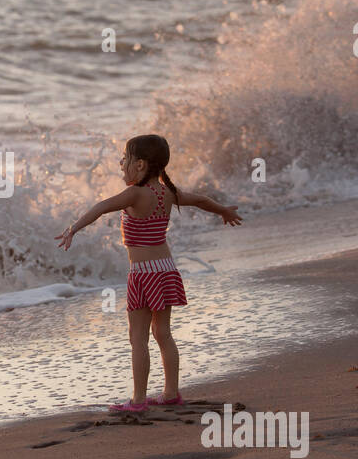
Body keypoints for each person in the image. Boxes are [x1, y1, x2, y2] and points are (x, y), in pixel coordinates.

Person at [56, 134, 241, 413]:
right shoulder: (168, 193)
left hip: (144, 274)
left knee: (138, 337)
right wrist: (223, 211)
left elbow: (101, 207)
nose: (121, 163)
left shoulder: (134, 194)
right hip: (165, 269)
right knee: (163, 333)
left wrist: (74, 228)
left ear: (140, 165)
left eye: (125, 159)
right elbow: (201, 200)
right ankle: (170, 393)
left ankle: (139, 400)